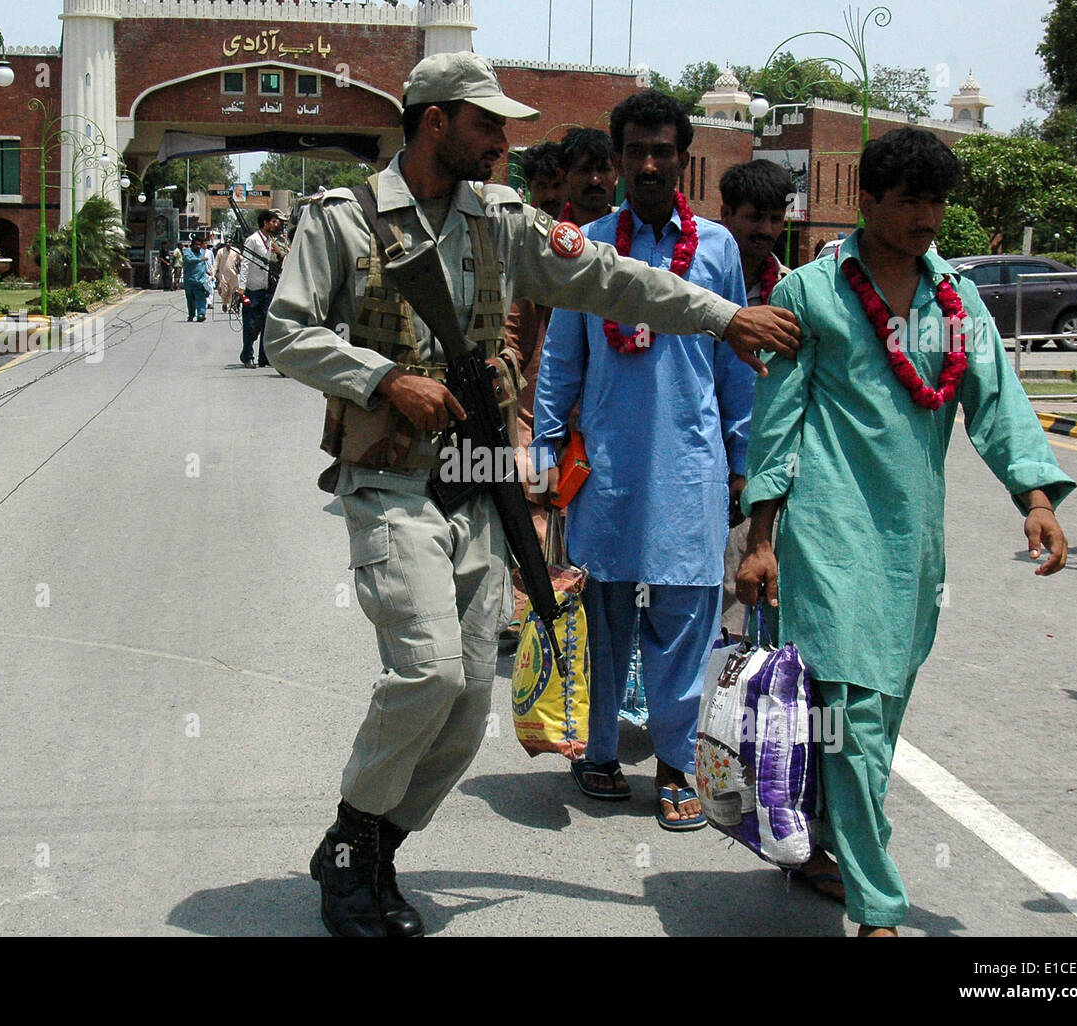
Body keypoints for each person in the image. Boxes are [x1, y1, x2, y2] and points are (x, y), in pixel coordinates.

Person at [266, 52, 801, 938]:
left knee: (473, 695)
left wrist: (721, 314)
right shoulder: (345, 218)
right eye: (488, 126)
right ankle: (352, 846)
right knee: (428, 668)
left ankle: (377, 849)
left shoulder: (505, 220)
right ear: (437, 122)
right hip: (392, 477)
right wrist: (381, 379)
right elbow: (287, 331)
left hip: (477, 485)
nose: (505, 142)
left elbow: (610, 279)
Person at [736, 127, 1074, 936]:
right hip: (824, 534)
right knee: (851, 717)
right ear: (869, 202)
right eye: (912, 200)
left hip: (911, 546)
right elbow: (775, 426)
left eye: (938, 200)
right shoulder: (812, 295)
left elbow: (995, 402)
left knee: (875, 718)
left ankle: (827, 845)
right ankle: (879, 907)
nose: (928, 216)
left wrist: (1037, 499)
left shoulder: (955, 298)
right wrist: (760, 540)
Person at [532, 90, 755, 831]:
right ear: (620, 160)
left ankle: (673, 762)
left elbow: (736, 367)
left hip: (691, 468)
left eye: (664, 151)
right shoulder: (585, 245)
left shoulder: (717, 249)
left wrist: (744, 460)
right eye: (637, 152)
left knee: (686, 618)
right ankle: (595, 750)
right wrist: (540, 456)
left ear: (682, 158)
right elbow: (560, 360)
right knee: (602, 616)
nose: (650, 164)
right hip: (607, 469)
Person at [505, 128, 619, 631]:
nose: (593, 181)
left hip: (611, 407)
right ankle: (535, 622)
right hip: (542, 401)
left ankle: (590, 621)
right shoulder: (544, 249)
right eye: (581, 173)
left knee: (597, 515)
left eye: (603, 169)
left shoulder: (631, 243)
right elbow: (515, 331)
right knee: (537, 504)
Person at [718, 159, 796, 633]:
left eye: (775, 218)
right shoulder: (693, 282)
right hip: (703, 459)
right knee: (715, 595)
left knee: (755, 592)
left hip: (766, 468)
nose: (766, 229)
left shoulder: (792, 291)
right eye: (754, 217)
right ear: (726, 214)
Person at [238, 208, 288, 368]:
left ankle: (263, 357)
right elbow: (245, 264)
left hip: (266, 288)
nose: (276, 224)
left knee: (266, 323)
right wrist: (241, 287)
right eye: (273, 222)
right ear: (265, 223)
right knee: (250, 324)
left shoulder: (269, 241)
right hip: (252, 289)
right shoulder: (253, 240)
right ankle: (247, 356)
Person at [519, 140, 567, 218]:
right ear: (529, 185)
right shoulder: (521, 224)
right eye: (542, 186)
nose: (550, 197)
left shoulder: (581, 223)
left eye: (557, 186)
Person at [182, 234, 213, 322]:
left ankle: (201, 314)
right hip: (190, 281)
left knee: (201, 298)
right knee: (191, 300)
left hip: (200, 281)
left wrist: (208, 271)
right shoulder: (187, 252)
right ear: (192, 245)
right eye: (196, 245)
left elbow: (203, 265)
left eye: (200, 245)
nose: (198, 246)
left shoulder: (202, 252)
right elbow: (189, 260)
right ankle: (191, 315)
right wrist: (200, 259)